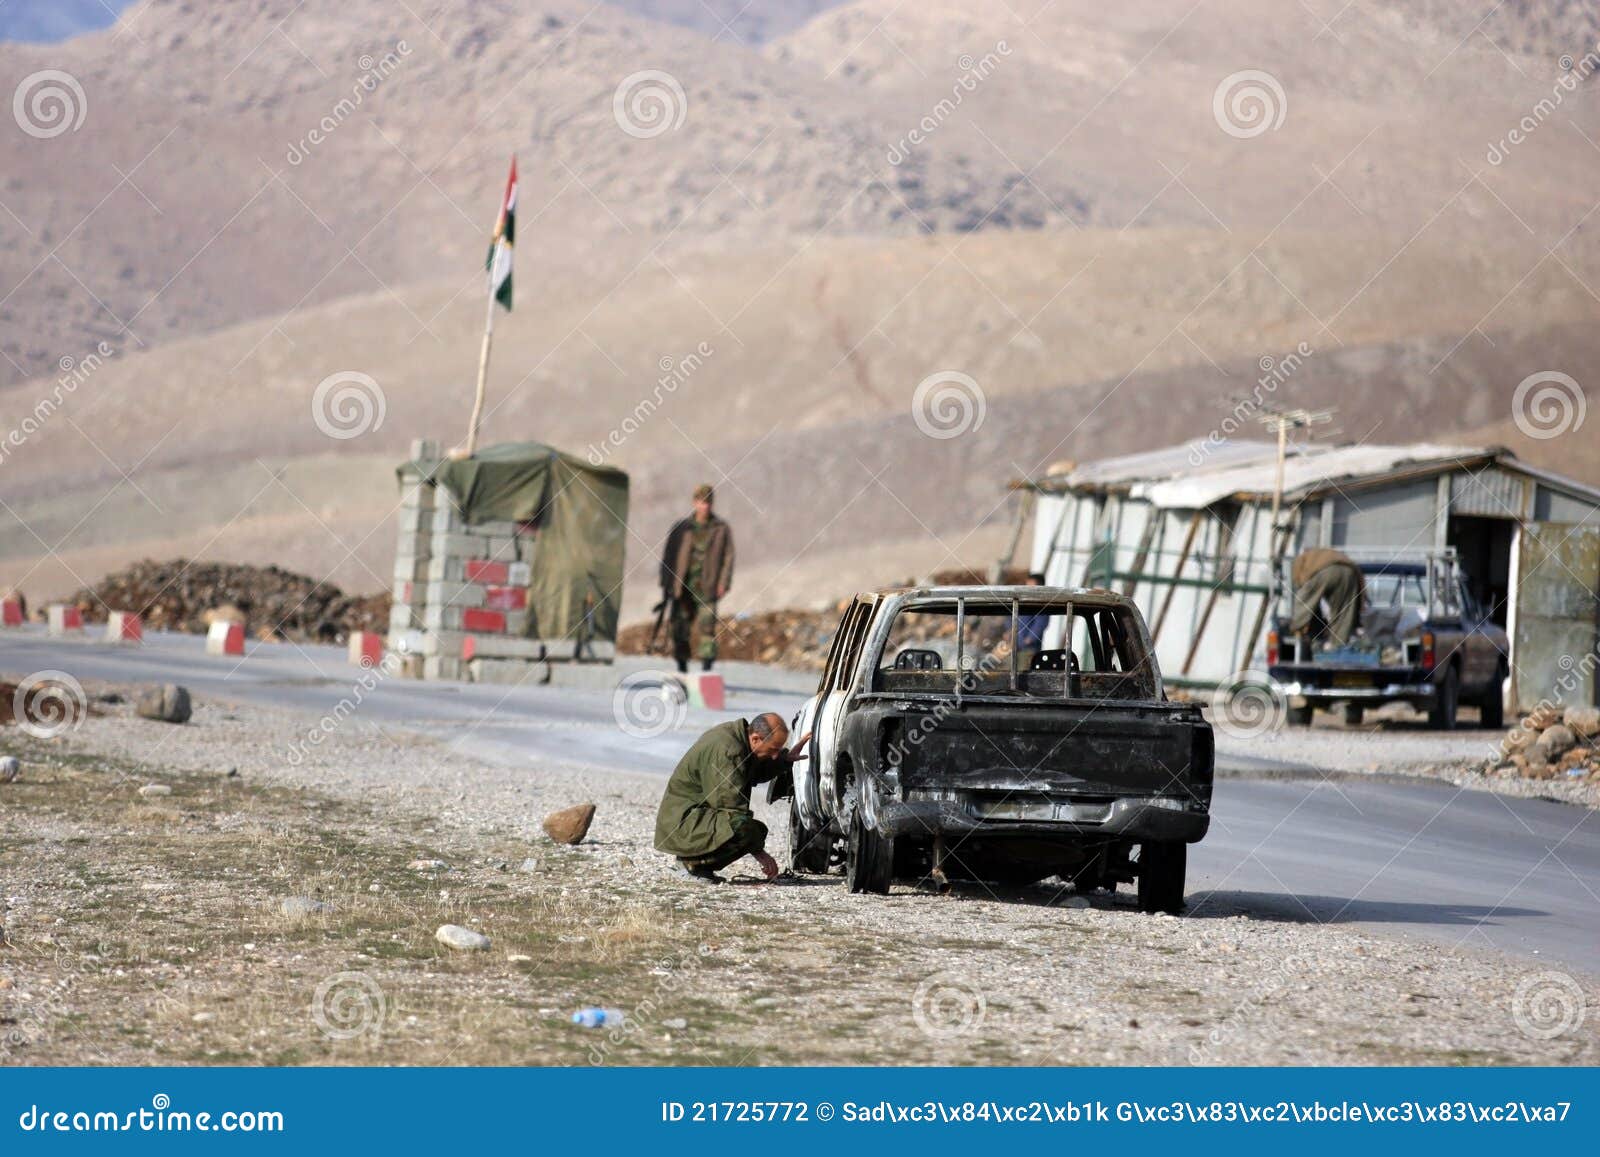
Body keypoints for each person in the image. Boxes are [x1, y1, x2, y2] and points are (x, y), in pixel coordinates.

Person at [655, 713, 810, 884]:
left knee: (755, 830)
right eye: (773, 749)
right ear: (756, 738)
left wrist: (784, 760)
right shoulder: (730, 751)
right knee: (744, 828)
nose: (774, 755)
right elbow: (731, 806)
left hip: (691, 818)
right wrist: (760, 853)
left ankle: (698, 864)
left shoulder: (738, 739)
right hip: (683, 822)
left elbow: (753, 773)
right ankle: (689, 864)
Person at [660, 483, 735, 674]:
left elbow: (728, 558)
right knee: (680, 628)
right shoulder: (683, 528)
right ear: (695, 503)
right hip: (683, 588)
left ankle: (706, 670)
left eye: (708, 503)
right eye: (702, 502)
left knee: (707, 629)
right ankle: (682, 668)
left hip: (708, 587)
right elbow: (669, 555)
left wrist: (723, 583)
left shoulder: (721, 528)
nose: (705, 506)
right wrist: (667, 583)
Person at [1289, 547, 1366, 649]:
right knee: (1343, 613)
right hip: (1349, 572)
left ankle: (1296, 629)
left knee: (1305, 599)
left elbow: (1301, 586)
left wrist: (1299, 622)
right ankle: (1337, 647)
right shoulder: (1323, 554)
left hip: (1327, 571)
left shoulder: (1302, 559)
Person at [1017, 572, 1050, 651]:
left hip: (1030, 648)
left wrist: (1029, 640)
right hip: (1018, 646)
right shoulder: (1024, 601)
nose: (1027, 588)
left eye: (1031, 585)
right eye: (1027, 585)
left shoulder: (1041, 603)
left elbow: (1040, 624)